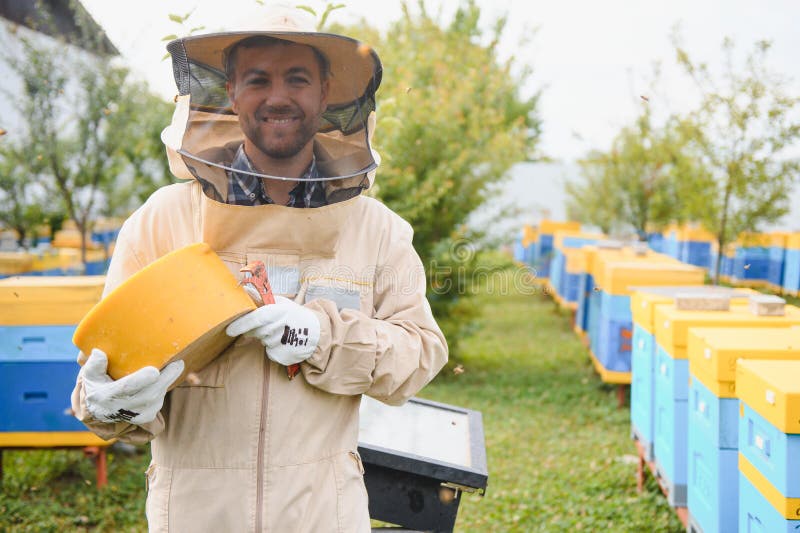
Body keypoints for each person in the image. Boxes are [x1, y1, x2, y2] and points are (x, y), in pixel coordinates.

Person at [70, 9, 448, 532]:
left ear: (326, 90)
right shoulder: (162, 221)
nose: (278, 97)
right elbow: (102, 375)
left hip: (323, 515)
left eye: (296, 78)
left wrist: (321, 335)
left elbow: (419, 356)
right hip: (195, 517)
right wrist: (109, 405)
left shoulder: (377, 230)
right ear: (230, 92)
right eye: (258, 79)